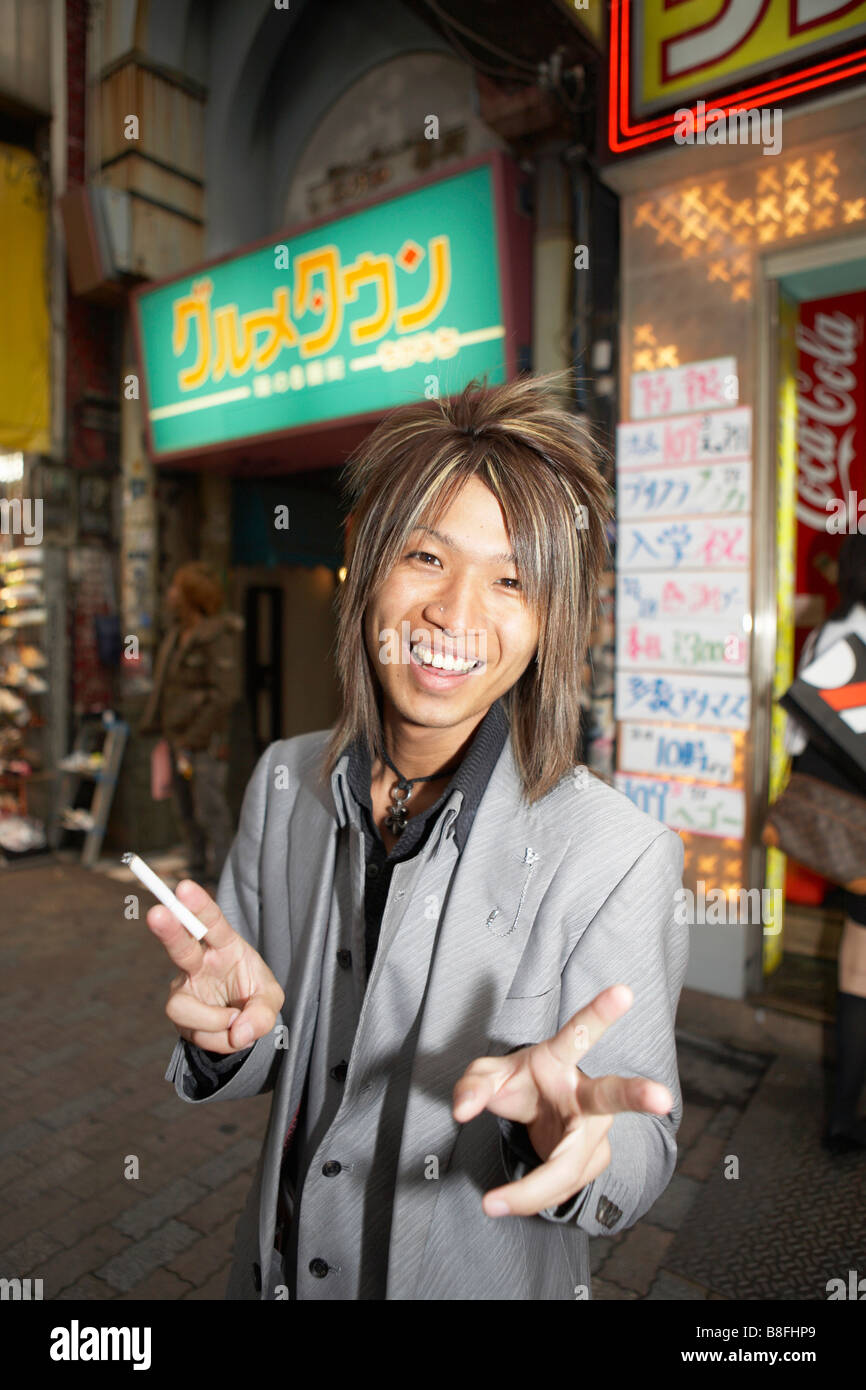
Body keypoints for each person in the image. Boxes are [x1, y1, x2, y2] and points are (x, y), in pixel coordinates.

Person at [146, 375, 689, 1301]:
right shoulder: (287, 783)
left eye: (512, 579)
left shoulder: (617, 853)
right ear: (365, 564)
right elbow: (275, 1049)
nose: (455, 613)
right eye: (427, 557)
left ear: (547, 624)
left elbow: (635, 1133)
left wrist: (569, 1141)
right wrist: (233, 1042)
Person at [785, 533, 866, 1154]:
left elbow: (793, 738)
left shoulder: (831, 634)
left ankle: (840, 1117)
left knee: (857, 970)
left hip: (849, 834)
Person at [138, 561, 243, 887]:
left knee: (210, 807)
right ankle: (197, 864)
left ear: (190, 596)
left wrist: (195, 736)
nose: (170, 595)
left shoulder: (215, 636)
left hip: (202, 741)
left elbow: (225, 694)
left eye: (176, 589)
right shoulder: (175, 636)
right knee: (184, 806)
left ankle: (224, 872)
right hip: (176, 737)